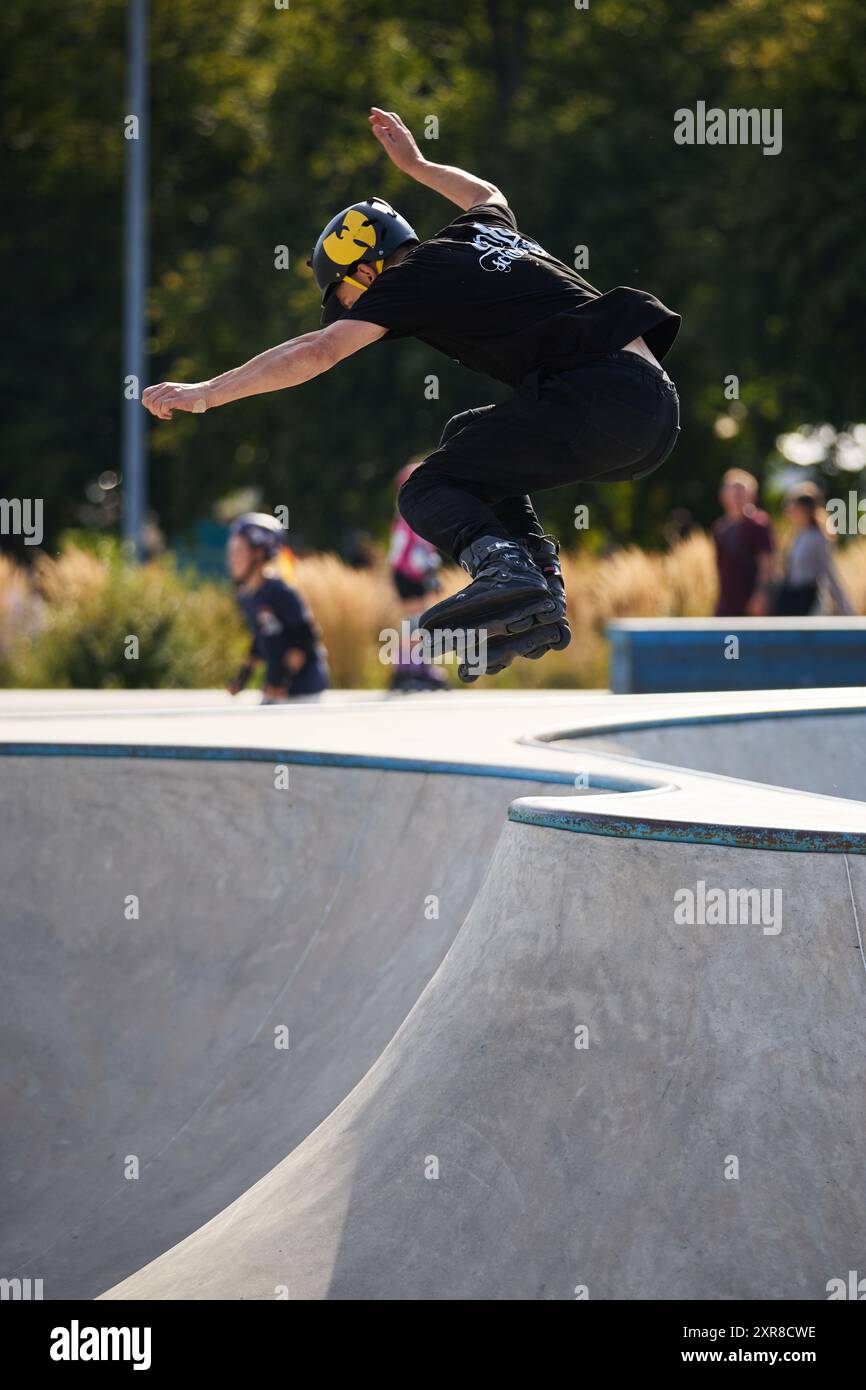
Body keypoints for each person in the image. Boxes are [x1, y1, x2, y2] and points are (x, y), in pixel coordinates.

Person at [142, 107, 681, 681]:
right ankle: (537, 587)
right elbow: (485, 190)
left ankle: (508, 573)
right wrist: (417, 165)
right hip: (651, 415)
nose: (347, 310)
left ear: (367, 270)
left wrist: (206, 391)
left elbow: (316, 352)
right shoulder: (481, 230)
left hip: (601, 401)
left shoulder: (409, 279)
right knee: (464, 440)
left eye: (343, 294)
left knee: (426, 487)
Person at [226, 513, 329, 703]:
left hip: (303, 689)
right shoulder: (248, 596)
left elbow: (304, 638)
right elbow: (262, 637)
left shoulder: (279, 591)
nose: (232, 559)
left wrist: (279, 681)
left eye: (239, 551)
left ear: (259, 553)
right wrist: (243, 676)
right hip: (278, 686)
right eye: (231, 551)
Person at [387, 462, 447, 692]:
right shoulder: (408, 513)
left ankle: (417, 665)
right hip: (407, 573)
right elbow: (403, 550)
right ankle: (407, 667)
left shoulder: (414, 512)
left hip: (413, 573)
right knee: (415, 622)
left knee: (420, 620)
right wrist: (426, 568)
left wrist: (430, 568)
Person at [773, 486, 852, 616]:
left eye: (792, 507)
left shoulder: (817, 538)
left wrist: (844, 607)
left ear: (804, 509)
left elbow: (828, 571)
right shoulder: (796, 536)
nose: (788, 511)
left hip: (809, 600)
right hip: (793, 597)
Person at [712, 469, 776, 617]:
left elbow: (767, 565)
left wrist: (761, 596)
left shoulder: (759, 524)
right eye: (733, 492)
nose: (737, 497)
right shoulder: (720, 527)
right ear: (723, 496)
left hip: (751, 605)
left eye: (741, 493)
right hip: (726, 603)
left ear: (752, 496)